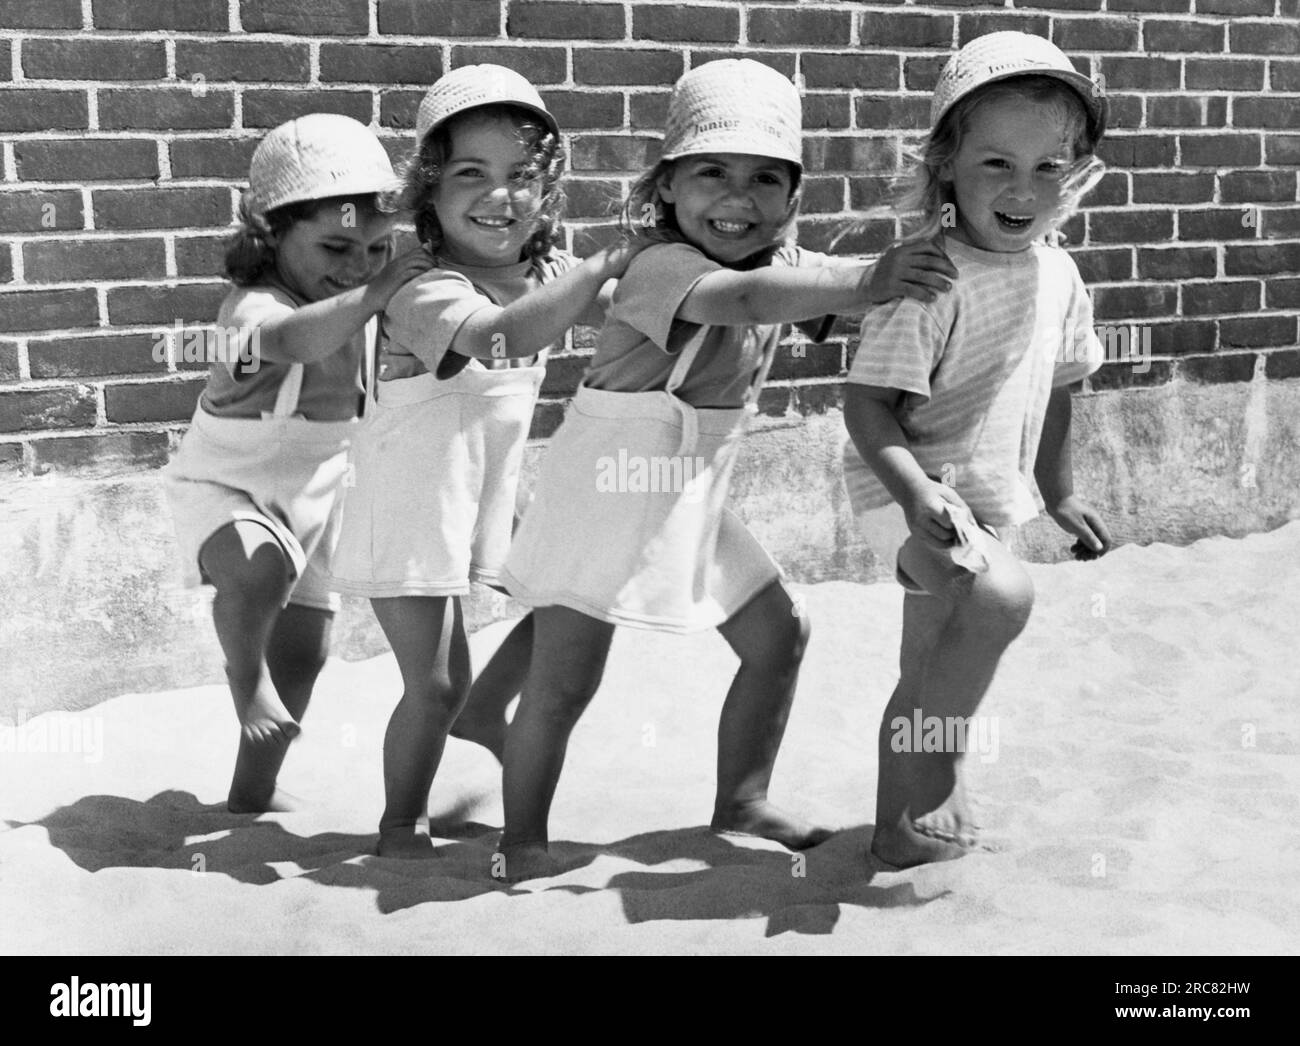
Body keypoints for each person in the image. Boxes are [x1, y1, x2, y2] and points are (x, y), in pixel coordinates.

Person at [497, 59, 958, 880]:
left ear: (791, 198)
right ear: (666, 187)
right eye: (711, 172)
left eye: (764, 179)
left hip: (690, 490)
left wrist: (940, 249)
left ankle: (741, 800)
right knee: (567, 677)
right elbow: (744, 302)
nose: (737, 199)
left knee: (781, 632)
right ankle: (522, 838)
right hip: (607, 484)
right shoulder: (658, 265)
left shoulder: (783, 262)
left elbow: (818, 293)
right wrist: (865, 278)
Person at [327, 66, 637, 857]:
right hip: (405, 507)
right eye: (471, 175)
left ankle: (483, 711)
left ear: (547, 191)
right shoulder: (422, 287)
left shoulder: (543, 271)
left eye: (521, 178)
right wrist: (602, 268)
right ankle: (401, 825)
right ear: (427, 192)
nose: (499, 196)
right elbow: (501, 336)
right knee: (431, 686)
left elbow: (637, 307)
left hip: (478, 498)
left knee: (568, 586)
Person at [842, 31, 1114, 869]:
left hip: (987, 494)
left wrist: (1058, 490)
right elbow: (865, 406)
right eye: (997, 163)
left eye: (1048, 167)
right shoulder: (931, 277)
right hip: (903, 487)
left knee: (925, 664)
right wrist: (918, 494)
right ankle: (938, 770)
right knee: (999, 597)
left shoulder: (1060, 275)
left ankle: (897, 834)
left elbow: (1062, 385)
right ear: (946, 165)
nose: (1024, 188)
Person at [163, 114, 432, 812]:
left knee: (308, 652)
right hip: (227, 484)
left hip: (316, 490)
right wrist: (372, 294)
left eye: (376, 250)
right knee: (256, 569)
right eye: (336, 246)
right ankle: (242, 678)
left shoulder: (351, 305)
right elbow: (288, 343)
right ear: (271, 234)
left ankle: (252, 791)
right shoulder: (253, 307)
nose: (357, 266)